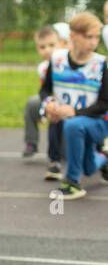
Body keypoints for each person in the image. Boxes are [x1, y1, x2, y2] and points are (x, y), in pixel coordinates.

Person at [42, 11, 107, 201]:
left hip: (99, 121)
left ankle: (72, 183)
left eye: (96, 37)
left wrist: (74, 112)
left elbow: (105, 103)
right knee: (88, 167)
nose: (94, 42)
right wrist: (49, 104)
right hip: (76, 123)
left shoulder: (102, 64)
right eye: (89, 37)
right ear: (73, 36)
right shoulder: (57, 60)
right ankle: (104, 158)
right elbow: (45, 90)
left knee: (73, 124)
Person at [24, 25, 66, 163]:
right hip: (51, 101)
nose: (47, 50)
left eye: (52, 45)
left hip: (67, 102)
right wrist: (45, 106)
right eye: (42, 47)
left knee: (66, 154)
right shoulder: (42, 67)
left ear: (61, 43)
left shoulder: (66, 61)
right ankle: (31, 142)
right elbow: (44, 90)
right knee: (31, 104)